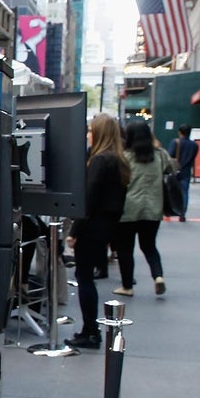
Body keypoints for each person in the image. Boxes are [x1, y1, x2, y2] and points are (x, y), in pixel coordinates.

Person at [65, 114, 128, 349]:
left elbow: (88, 199)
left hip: (92, 226)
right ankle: (90, 329)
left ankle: (90, 330)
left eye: (92, 130)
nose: (88, 134)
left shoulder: (99, 161)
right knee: (86, 276)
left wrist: (74, 230)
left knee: (84, 278)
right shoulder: (118, 160)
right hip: (106, 226)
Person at [114, 120, 175, 298]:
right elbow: (170, 170)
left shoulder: (123, 157)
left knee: (125, 249)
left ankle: (127, 286)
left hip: (128, 210)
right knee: (149, 246)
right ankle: (158, 277)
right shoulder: (161, 155)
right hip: (153, 208)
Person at [169, 125, 199, 221]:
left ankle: (171, 210)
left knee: (172, 191)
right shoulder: (195, 145)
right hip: (186, 170)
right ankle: (182, 212)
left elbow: (170, 155)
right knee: (184, 192)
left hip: (175, 170)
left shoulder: (176, 142)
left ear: (180, 132)